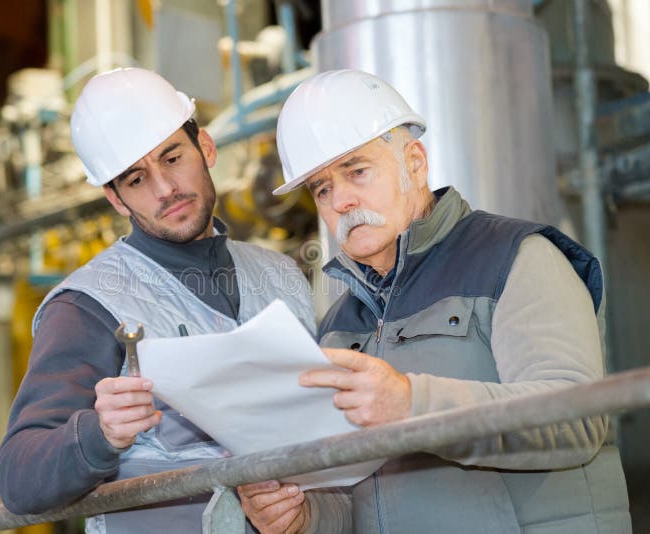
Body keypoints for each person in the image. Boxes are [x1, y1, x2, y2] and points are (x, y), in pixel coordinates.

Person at [238, 69, 631, 533]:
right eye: (322, 188)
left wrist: (413, 406)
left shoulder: (516, 257)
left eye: (357, 171)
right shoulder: (341, 324)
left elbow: (575, 422)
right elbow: (357, 501)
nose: (340, 199)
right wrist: (302, 518)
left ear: (415, 163)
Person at [0, 67, 315, 533]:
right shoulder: (87, 307)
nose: (165, 189)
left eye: (172, 158)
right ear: (116, 199)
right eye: (136, 179)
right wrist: (98, 434)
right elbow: (18, 477)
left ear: (205, 147)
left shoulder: (283, 277)